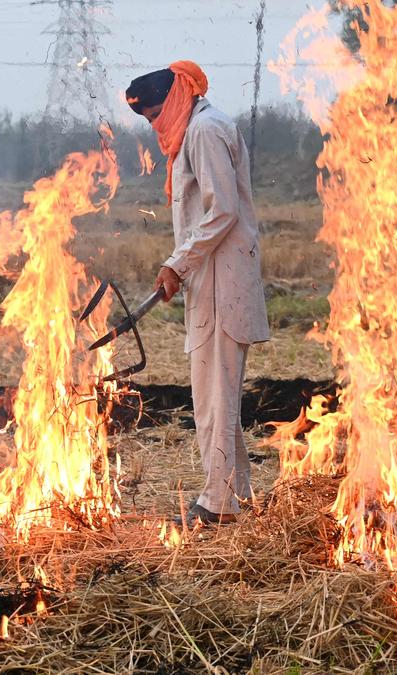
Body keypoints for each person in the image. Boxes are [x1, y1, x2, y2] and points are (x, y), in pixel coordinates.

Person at [125, 62, 270, 527]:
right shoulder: (196, 130)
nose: (153, 127)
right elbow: (202, 216)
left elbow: (223, 209)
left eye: (152, 116)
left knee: (214, 400)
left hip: (222, 284)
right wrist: (181, 266)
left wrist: (177, 263)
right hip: (207, 281)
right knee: (215, 396)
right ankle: (237, 496)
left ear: (170, 101)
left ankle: (217, 503)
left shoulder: (205, 130)